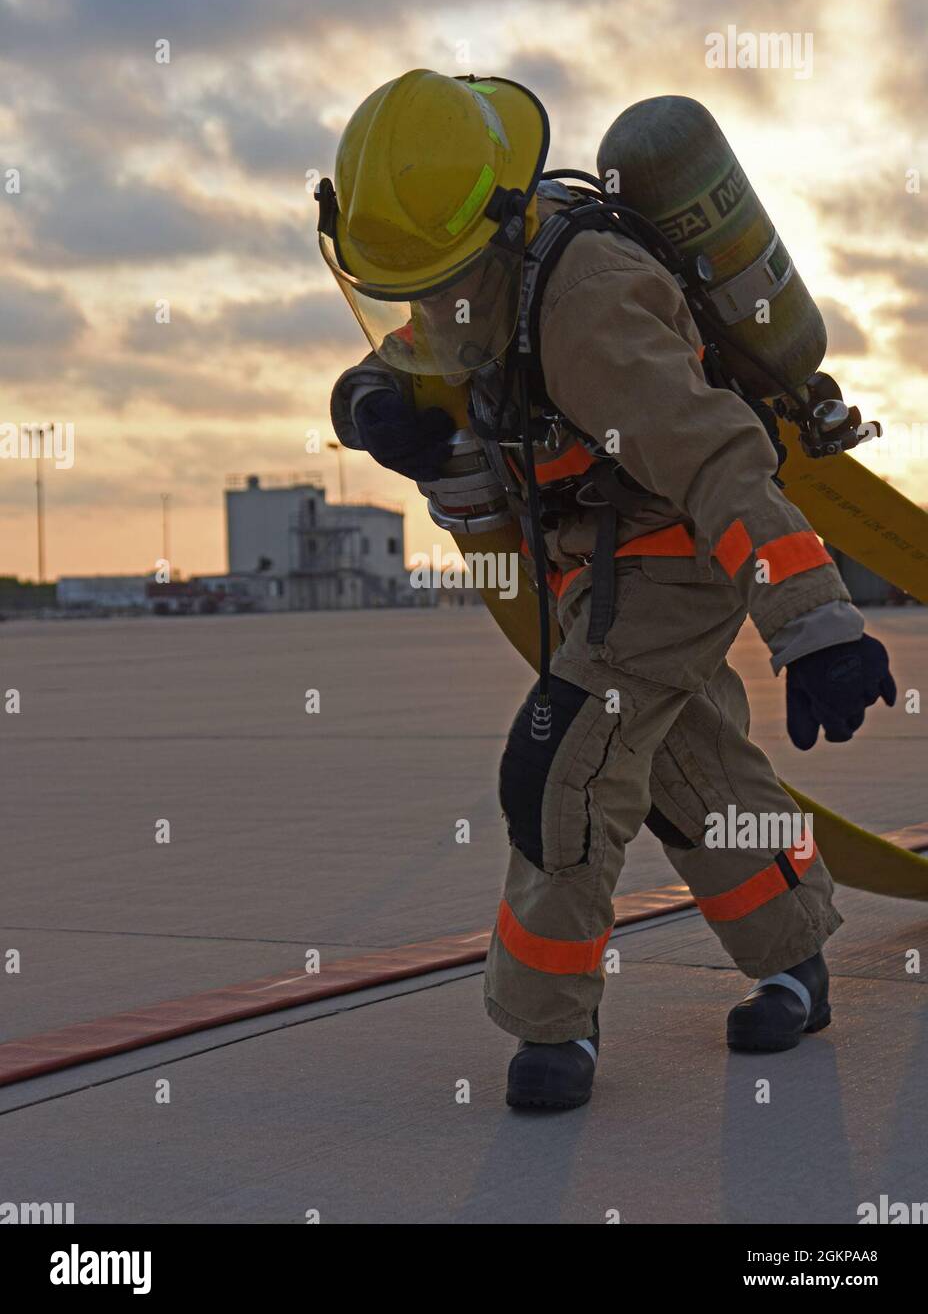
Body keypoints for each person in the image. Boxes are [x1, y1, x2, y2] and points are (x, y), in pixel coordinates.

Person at [320, 70, 896, 1110]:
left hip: (673, 565)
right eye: (406, 284)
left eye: (437, 280)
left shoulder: (586, 305)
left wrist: (814, 624)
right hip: (598, 572)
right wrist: (366, 403)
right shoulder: (475, 278)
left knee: (562, 769)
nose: (425, 304)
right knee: (693, 771)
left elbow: (718, 459)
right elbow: (415, 352)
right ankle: (795, 959)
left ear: (493, 230)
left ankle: (553, 1030)